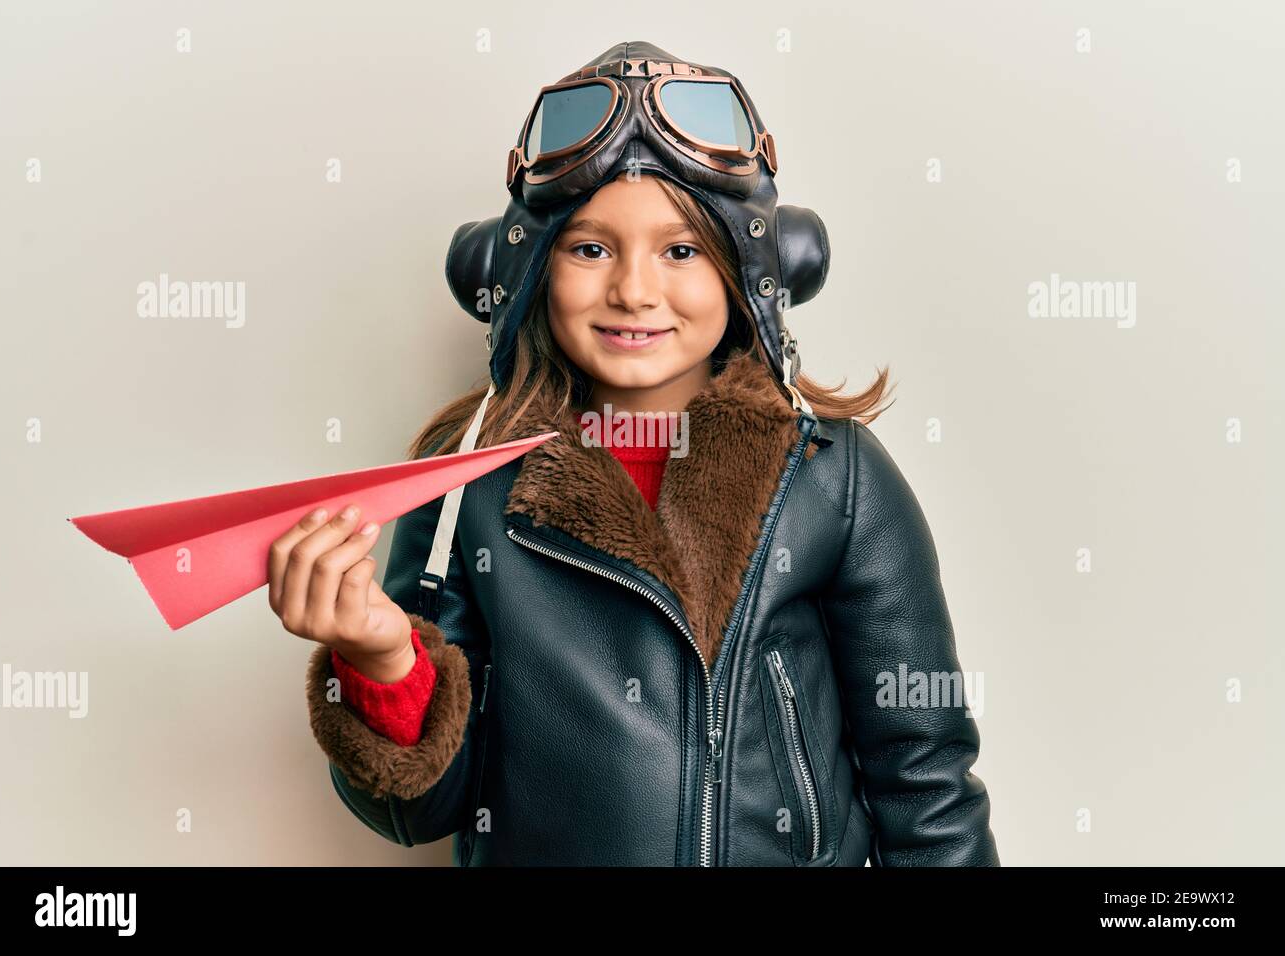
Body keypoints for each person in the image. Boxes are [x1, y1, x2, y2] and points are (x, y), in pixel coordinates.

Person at [267, 41, 999, 866]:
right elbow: (425, 808)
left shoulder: (834, 475)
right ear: (529, 269)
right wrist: (380, 656)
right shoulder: (462, 488)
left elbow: (925, 777)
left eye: (680, 250)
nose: (634, 291)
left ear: (752, 271)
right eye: (590, 248)